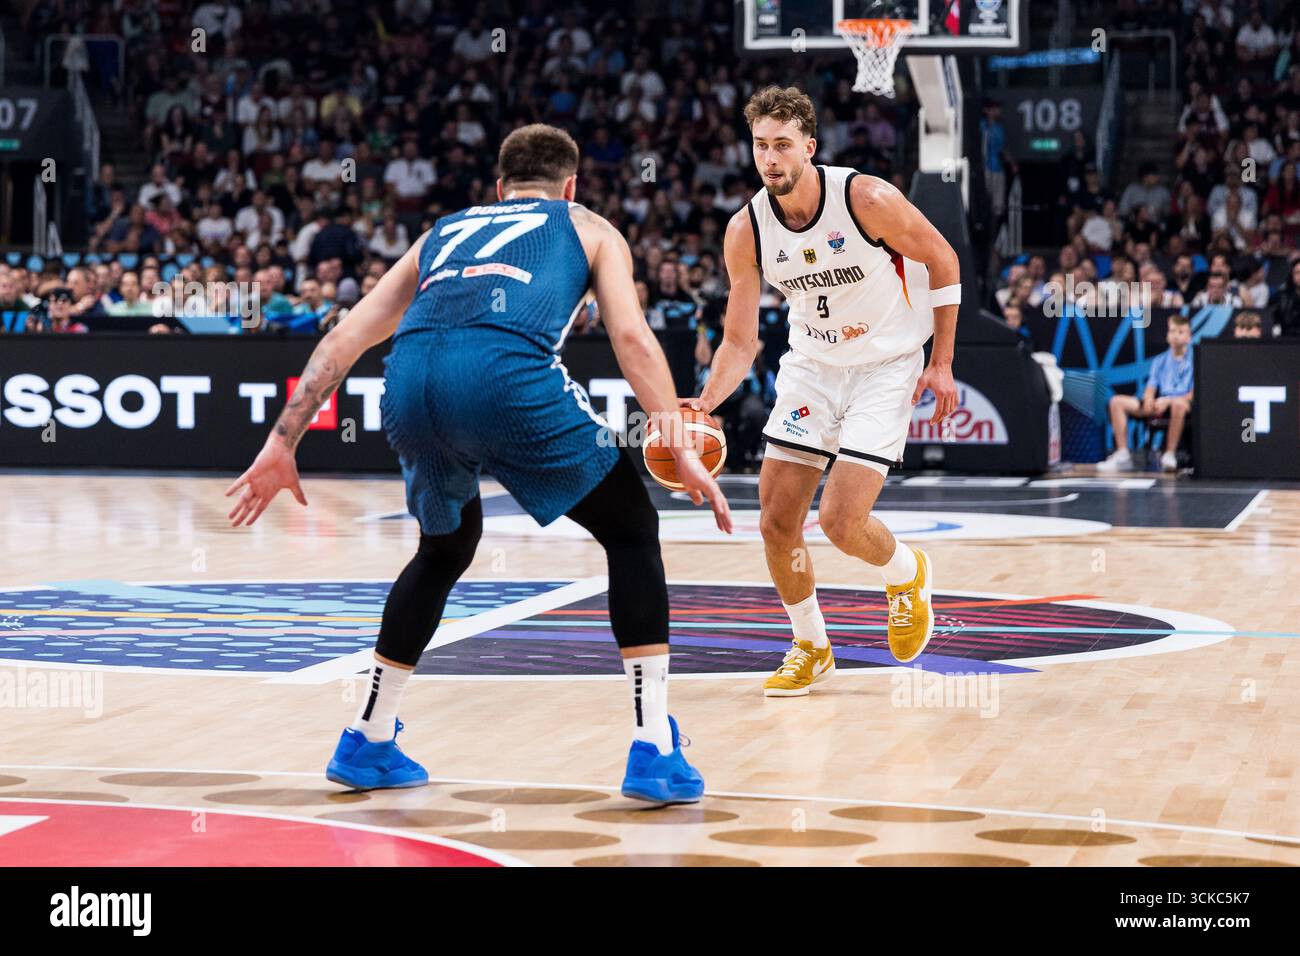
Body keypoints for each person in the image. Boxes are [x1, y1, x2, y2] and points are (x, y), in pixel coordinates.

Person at [226, 124, 731, 804]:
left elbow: (346, 335)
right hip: (502, 381)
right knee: (633, 530)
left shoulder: (443, 230)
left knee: (444, 549)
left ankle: (368, 736)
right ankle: (654, 747)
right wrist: (677, 436)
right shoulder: (589, 226)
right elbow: (633, 337)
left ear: (498, 187)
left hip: (408, 383)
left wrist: (283, 439)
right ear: (570, 186)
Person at [684, 87, 959, 697]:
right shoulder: (746, 230)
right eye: (761, 146)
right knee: (777, 520)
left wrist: (940, 363)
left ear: (809, 147)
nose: (771, 158)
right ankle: (810, 643)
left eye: (783, 145)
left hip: (886, 365)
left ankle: (907, 574)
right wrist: (703, 404)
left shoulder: (866, 198)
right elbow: (737, 342)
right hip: (813, 364)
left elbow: (943, 259)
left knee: (839, 520)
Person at [1099, 314, 1194, 473]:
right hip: (1159, 403)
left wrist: (1169, 401)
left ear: (1189, 337)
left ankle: (1169, 455)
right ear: (1167, 335)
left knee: (1179, 404)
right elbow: (1151, 386)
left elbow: (1193, 394)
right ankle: (1123, 455)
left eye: (1181, 332)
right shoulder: (1160, 360)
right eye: (1172, 331)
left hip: (1181, 403)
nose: (1176, 336)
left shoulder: (1194, 359)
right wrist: (1149, 399)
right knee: (1117, 401)